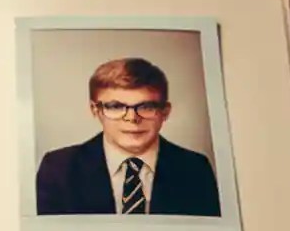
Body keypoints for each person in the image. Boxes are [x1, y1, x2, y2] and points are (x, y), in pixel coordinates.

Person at [35, 57, 221, 216]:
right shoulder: (58, 169)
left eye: (146, 106)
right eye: (116, 106)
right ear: (95, 110)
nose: (132, 118)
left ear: (165, 112)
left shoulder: (195, 169)